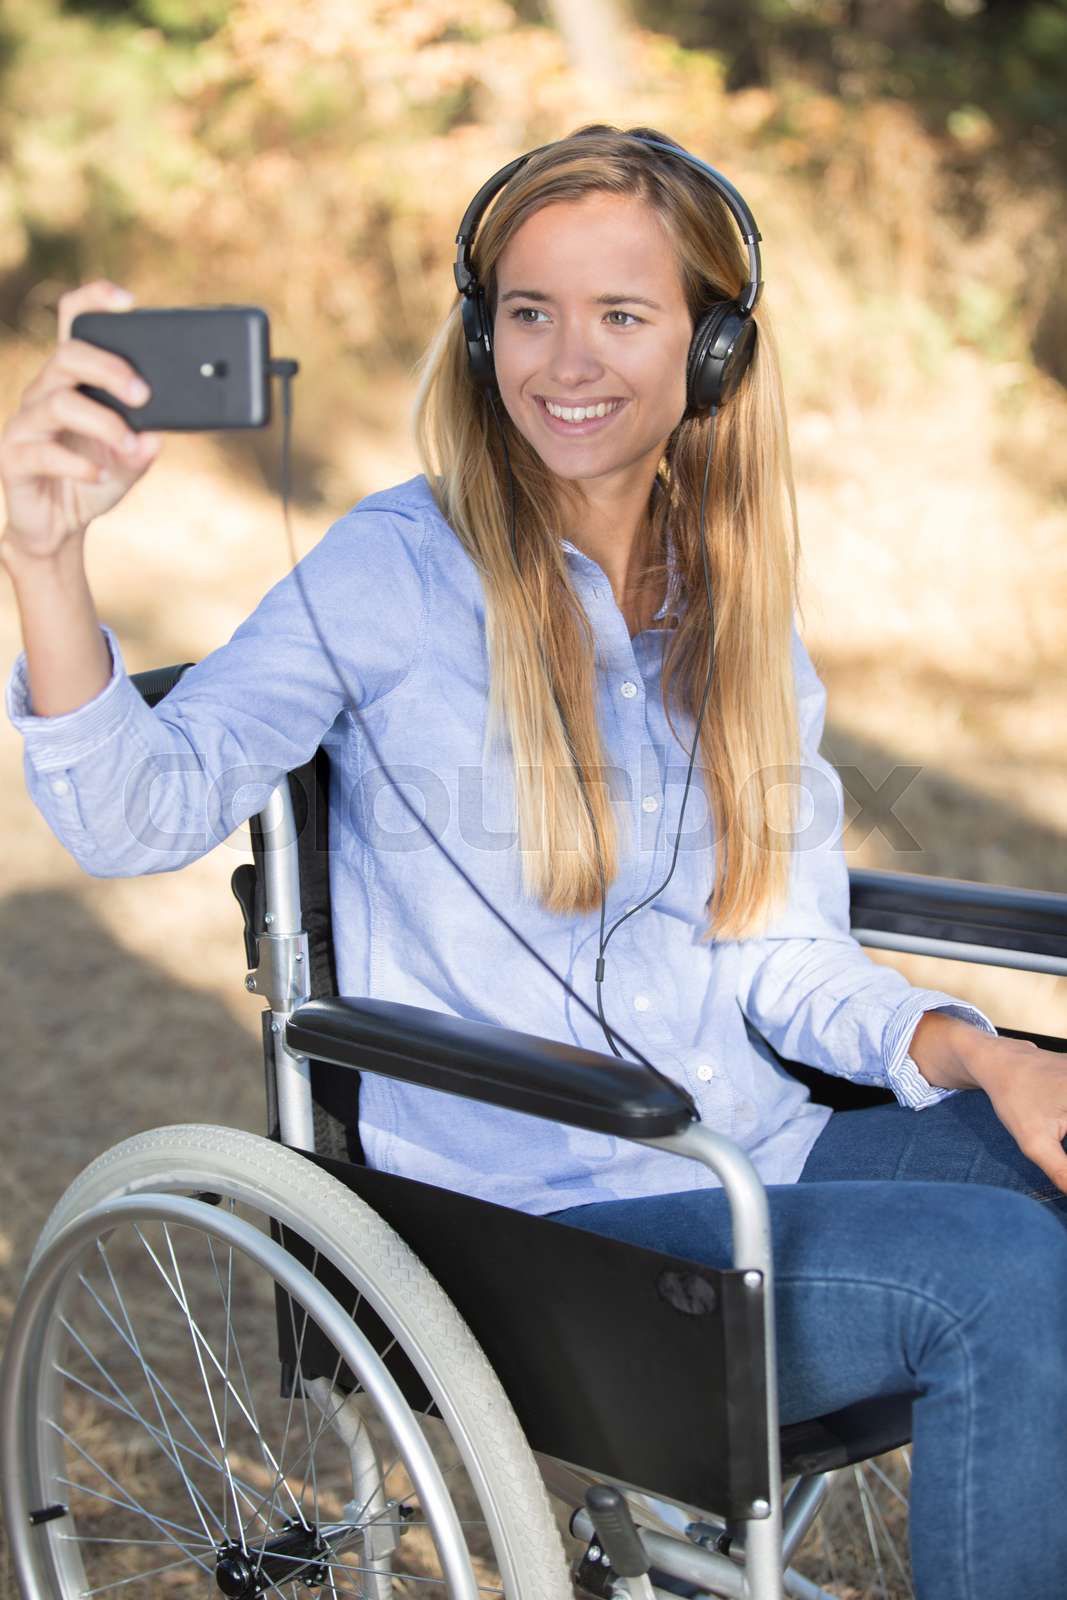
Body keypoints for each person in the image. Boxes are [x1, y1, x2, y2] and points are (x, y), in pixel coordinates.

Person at [2, 123, 1066, 1599]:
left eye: (623, 315)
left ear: (712, 354)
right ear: (479, 330)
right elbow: (135, 811)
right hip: (545, 1221)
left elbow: (777, 946)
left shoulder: (728, 603)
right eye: (527, 311)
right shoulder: (393, 571)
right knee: (1008, 1286)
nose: (565, 361)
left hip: (749, 1149)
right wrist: (44, 557)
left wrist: (975, 1050)